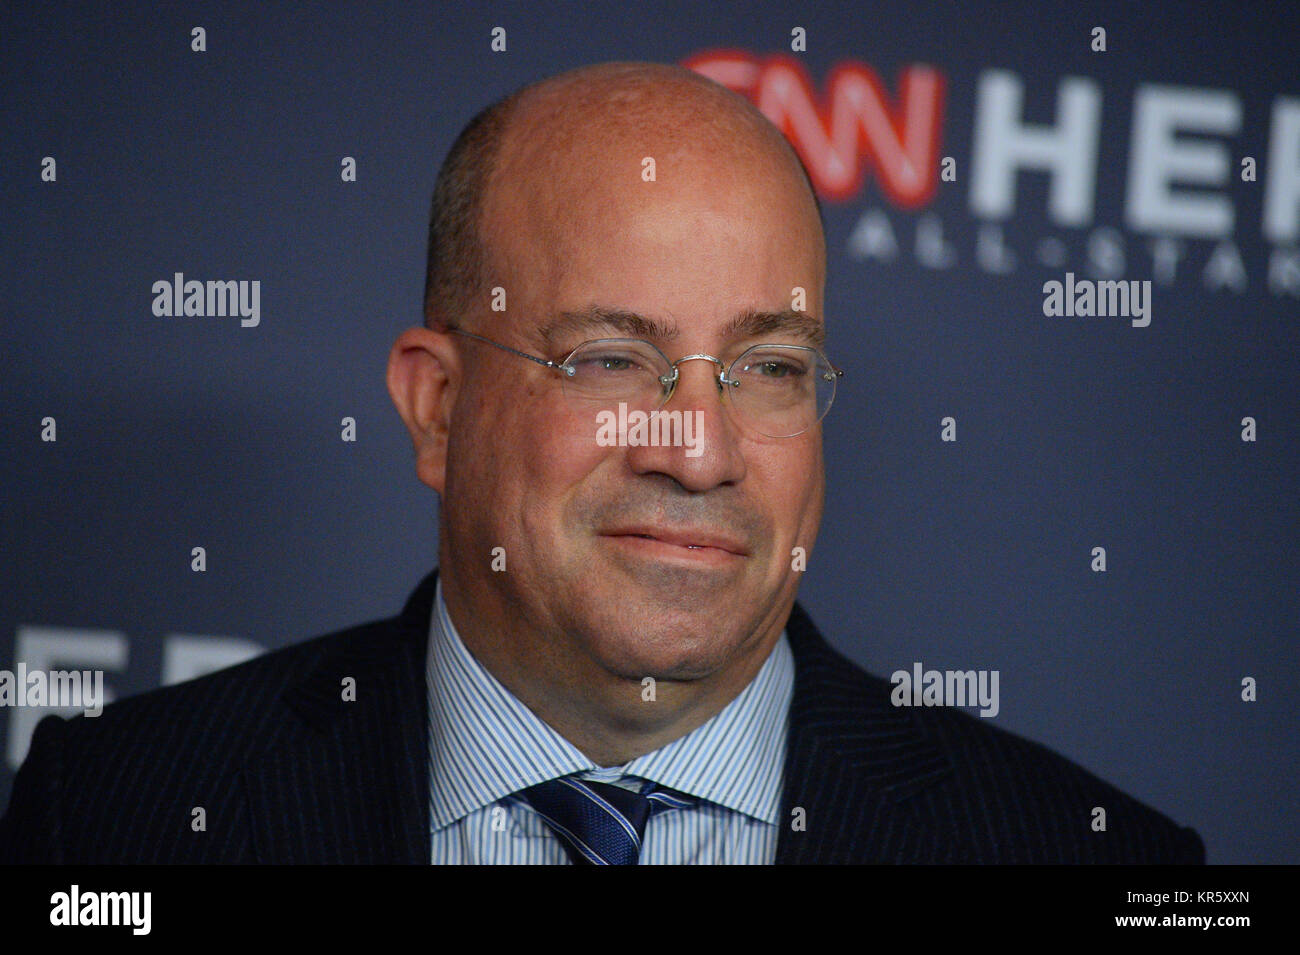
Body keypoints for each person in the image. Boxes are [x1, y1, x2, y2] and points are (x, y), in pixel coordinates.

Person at [0, 61, 1203, 864]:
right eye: (612, 360)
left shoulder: (1089, 857)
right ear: (437, 406)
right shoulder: (116, 818)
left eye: (770, 365)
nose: (700, 452)